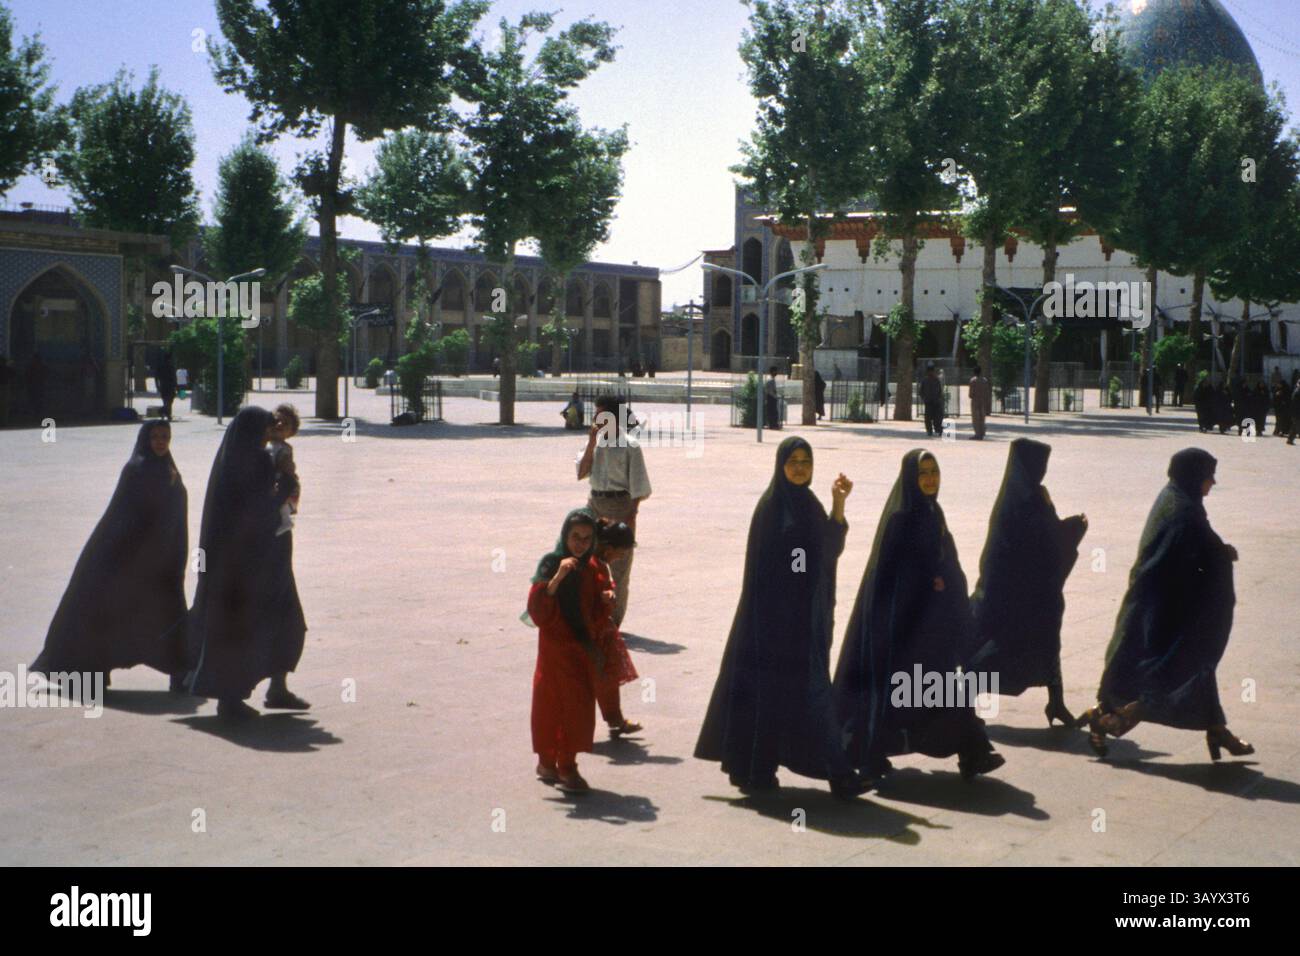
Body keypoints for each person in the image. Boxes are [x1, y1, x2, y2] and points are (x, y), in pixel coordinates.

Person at [695, 438, 872, 799]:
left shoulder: (806, 503)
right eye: (793, 461)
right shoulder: (773, 508)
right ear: (780, 465)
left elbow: (829, 549)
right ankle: (839, 775)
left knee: (787, 698)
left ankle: (760, 771)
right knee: (813, 696)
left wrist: (838, 504)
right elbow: (782, 569)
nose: (800, 468)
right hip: (778, 626)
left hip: (806, 620)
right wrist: (800, 576)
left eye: (806, 461)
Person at [833, 450, 1005, 782]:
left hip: (928, 627)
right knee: (903, 696)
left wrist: (946, 583)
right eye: (923, 473)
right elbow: (891, 577)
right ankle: (873, 756)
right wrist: (928, 582)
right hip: (898, 631)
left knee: (940, 691)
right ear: (911, 478)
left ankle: (972, 751)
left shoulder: (931, 511)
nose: (929, 479)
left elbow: (945, 559)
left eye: (934, 472)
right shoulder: (901, 518)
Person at [1079, 450, 1254, 762]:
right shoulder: (1183, 511)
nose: (1212, 482)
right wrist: (1221, 555)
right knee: (1172, 668)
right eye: (1208, 475)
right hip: (1165, 609)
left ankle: (1216, 729)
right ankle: (1107, 720)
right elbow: (1188, 552)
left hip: (1160, 603)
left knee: (1185, 664)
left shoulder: (1177, 499)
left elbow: (1197, 546)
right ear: (1193, 476)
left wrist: (1216, 551)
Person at [31, 421, 189, 690]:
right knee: (107, 613)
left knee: (168, 613)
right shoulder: (135, 470)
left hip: (160, 562)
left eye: (165, 437)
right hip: (126, 560)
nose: (161, 442)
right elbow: (124, 519)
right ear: (145, 439)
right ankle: (91, 671)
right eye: (155, 437)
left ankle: (181, 671)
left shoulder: (170, 471)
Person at [187, 406, 308, 719]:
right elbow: (257, 508)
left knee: (286, 617)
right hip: (245, 564)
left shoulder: (249, 458)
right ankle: (229, 699)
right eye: (267, 426)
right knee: (240, 627)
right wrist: (285, 483)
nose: (272, 431)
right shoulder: (247, 463)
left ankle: (277, 687)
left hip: (270, 553)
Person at [964, 439, 1088, 726]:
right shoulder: (1020, 501)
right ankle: (963, 706)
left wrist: (1069, 526)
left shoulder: (1030, 495)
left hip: (1036, 594)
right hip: (1009, 597)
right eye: (1039, 465)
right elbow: (1038, 540)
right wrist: (1070, 529)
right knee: (995, 652)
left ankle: (1056, 703)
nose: (1042, 471)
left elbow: (1047, 536)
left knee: (1047, 642)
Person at [527, 509, 607, 793]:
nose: (580, 544)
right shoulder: (551, 564)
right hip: (554, 649)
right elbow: (537, 611)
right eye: (575, 537)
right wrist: (557, 579)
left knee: (579, 706)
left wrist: (606, 601)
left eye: (587, 538)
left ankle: (566, 761)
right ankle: (552, 763)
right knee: (551, 705)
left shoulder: (593, 567)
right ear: (565, 536)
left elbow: (597, 607)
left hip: (581, 649)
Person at [578, 395, 651, 629]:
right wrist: (591, 442)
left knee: (619, 569)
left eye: (602, 414)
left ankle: (612, 623)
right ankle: (589, 616)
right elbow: (581, 473)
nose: (596, 419)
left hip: (620, 506)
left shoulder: (630, 446)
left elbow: (639, 486)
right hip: (595, 503)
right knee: (586, 560)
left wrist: (631, 516)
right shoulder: (596, 442)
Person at [593, 520, 642, 738]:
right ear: (608, 548)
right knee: (590, 681)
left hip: (603, 632)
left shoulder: (601, 563)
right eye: (620, 553)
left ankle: (615, 719)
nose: (620, 558)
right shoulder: (591, 565)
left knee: (608, 680)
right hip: (590, 633)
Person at [269, 404, 301, 537]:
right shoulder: (270, 444)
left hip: (284, 482)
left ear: (291, 433)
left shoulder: (284, 448)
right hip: (277, 480)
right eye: (277, 420)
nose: (280, 424)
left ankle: (286, 521)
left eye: (286, 423)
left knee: (283, 505)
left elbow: (287, 466)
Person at [968, 364, 992, 440]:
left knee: (976, 419)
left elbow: (970, 394)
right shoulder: (985, 381)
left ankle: (977, 434)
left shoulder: (973, 381)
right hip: (983, 402)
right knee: (982, 418)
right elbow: (988, 393)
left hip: (975, 402)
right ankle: (982, 432)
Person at [920, 362, 944, 437]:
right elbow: (921, 391)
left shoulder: (936, 380)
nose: (931, 372)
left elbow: (940, 390)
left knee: (937, 418)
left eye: (931, 370)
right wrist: (924, 398)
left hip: (936, 402)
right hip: (929, 402)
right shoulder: (925, 380)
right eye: (929, 370)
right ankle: (929, 430)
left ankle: (939, 430)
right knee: (928, 418)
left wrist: (938, 398)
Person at [155, 350, 178, 421]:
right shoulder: (171, 367)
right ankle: (164, 412)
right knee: (170, 401)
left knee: (165, 400)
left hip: (163, 385)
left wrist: (157, 386)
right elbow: (174, 377)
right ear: (170, 359)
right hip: (170, 386)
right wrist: (176, 386)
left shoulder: (160, 366)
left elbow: (156, 377)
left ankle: (166, 414)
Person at [24, 351, 47, 419]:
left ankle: (37, 414)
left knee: (36, 401)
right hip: (36, 386)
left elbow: (27, 376)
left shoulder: (32, 367)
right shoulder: (40, 366)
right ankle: (37, 414)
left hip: (36, 386)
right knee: (36, 401)